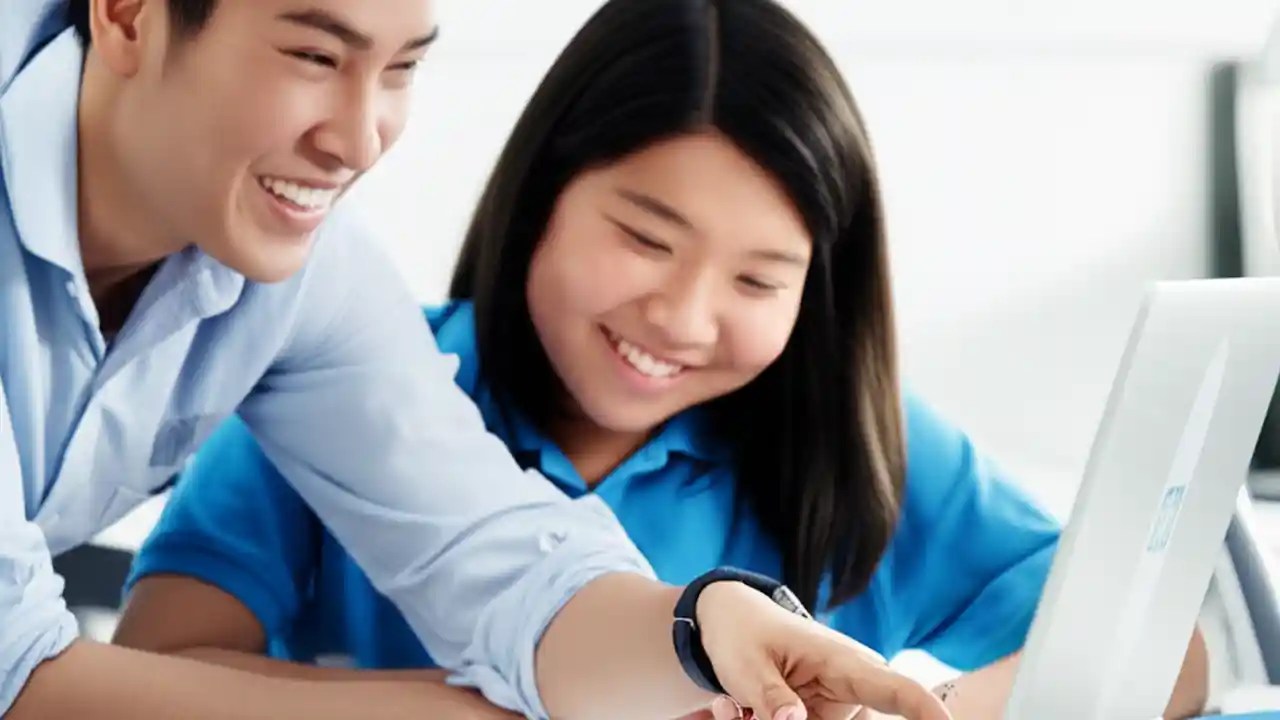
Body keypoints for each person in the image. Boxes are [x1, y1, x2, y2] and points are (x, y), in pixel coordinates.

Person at [109, 0, 1211, 718]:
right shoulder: (357, 391)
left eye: (756, 280)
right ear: (537, 201)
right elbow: (154, 672)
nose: (682, 317)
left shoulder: (850, 441)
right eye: (642, 239)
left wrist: (908, 709)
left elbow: (1161, 655)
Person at [0, 0, 956, 718]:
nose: (359, 137)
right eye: (313, 55)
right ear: (128, 14)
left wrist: (704, 629)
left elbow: (497, 559)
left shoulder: (297, 270)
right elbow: (23, 678)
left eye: (401, 69)